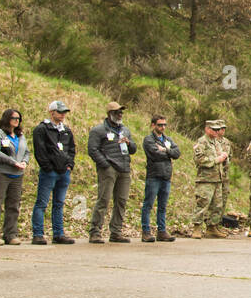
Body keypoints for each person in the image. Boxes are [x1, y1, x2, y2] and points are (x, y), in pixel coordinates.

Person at [87, 101, 137, 243]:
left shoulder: (125, 130)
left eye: (121, 112)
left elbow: (133, 149)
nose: (120, 115)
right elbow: (92, 150)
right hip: (109, 169)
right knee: (104, 199)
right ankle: (95, 231)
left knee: (121, 201)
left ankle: (116, 231)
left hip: (124, 169)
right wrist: (105, 165)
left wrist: (129, 143)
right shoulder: (98, 130)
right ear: (110, 114)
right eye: (117, 112)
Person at [31, 100, 77, 245]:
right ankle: (38, 234)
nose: (63, 115)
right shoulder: (42, 129)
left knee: (59, 203)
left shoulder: (66, 130)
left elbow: (71, 149)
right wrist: (48, 167)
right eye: (60, 112)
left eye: (64, 112)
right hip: (49, 172)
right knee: (42, 203)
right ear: (52, 112)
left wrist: (69, 165)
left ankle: (58, 234)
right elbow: (40, 151)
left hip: (64, 172)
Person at [0, 108, 29, 244]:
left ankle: (11, 234)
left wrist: (24, 162)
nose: (16, 121)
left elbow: (26, 151)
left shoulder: (20, 135)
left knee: (13, 205)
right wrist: (13, 162)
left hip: (17, 175)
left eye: (18, 119)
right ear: (7, 119)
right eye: (14, 118)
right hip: (1, 173)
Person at [141, 114, 179, 242]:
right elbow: (155, 154)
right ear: (153, 125)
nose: (162, 127)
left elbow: (177, 153)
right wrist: (168, 152)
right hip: (154, 175)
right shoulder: (148, 140)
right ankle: (146, 231)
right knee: (148, 204)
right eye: (160, 125)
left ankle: (161, 231)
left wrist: (166, 150)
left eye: (164, 125)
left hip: (166, 176)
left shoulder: (168, 139)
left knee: (163, 205)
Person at [192, 119, 230, 239]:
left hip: (217, 178)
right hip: (205, 179)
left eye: (218, 130)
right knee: (202, 203)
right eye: (214, 129)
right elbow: (199, 159)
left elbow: (223, 159)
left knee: (217, 205)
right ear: (207, 129)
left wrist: (224, 159)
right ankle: (197, 228)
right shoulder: (202, 142)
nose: (216, 132)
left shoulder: (217, 143)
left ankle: (212, 227)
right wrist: (216, 160)